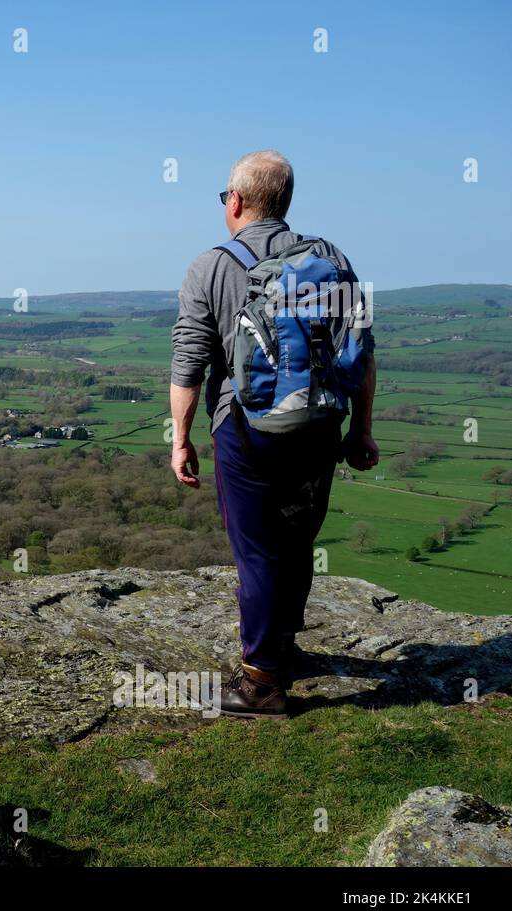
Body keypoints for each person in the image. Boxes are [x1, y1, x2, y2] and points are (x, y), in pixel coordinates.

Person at [169, 150, 379, 717]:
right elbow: (360, 351)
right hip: (318, 422)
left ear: (235, 201)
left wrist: (180, 438)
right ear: (284, 202)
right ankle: (280, 648)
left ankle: (261, 682)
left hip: (247, 427)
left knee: (257, 551)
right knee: (295, 542)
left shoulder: (211, 266)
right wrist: (360, 428)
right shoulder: (330, 258)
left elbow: (189, 361)